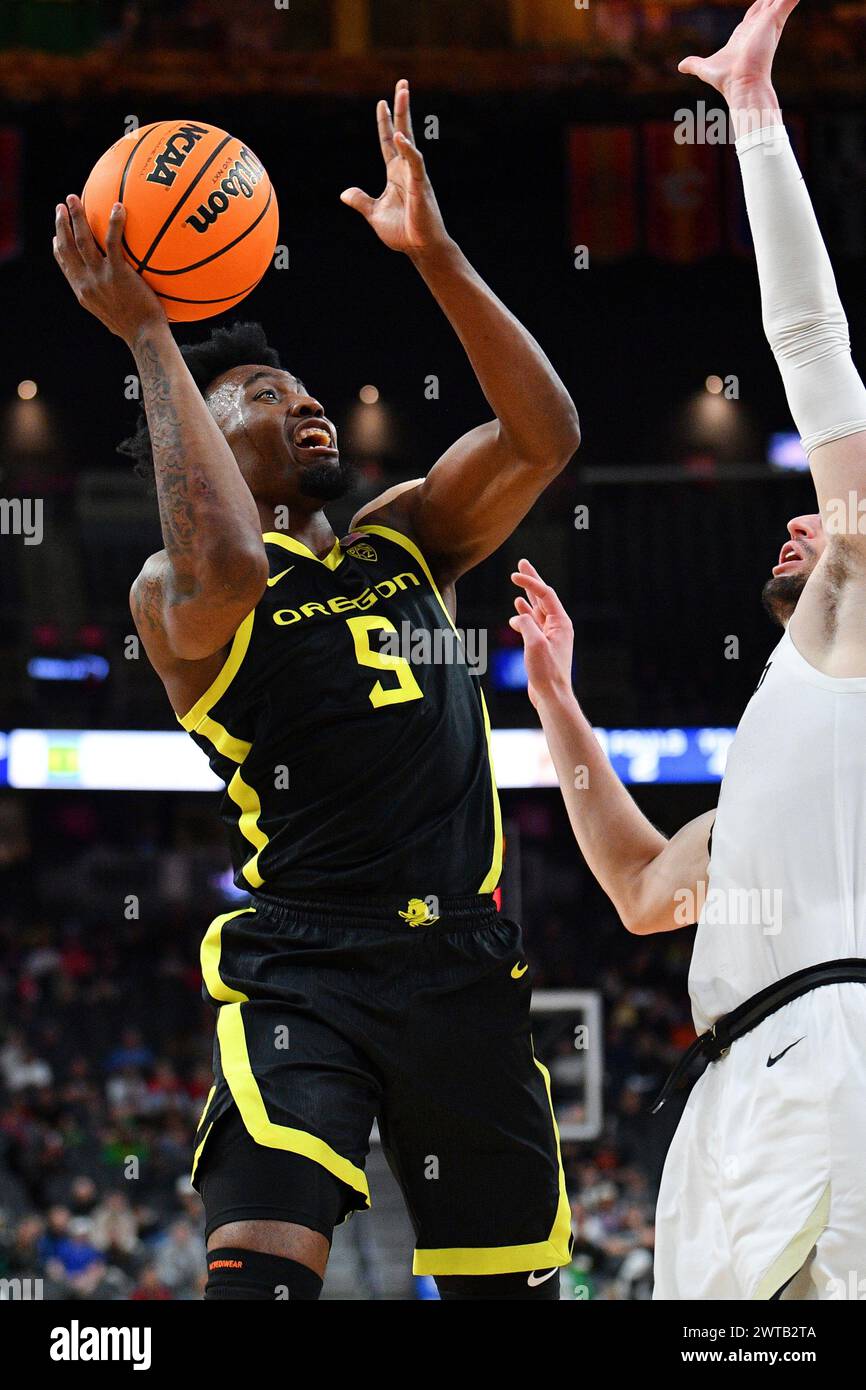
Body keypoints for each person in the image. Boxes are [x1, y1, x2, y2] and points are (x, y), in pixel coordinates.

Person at [53, 80, 580, 1300]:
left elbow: (543, 433)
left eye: (302, 391)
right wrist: (151, 336)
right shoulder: (174, 592)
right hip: (304, 963)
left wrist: (437, 255)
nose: (300, 402)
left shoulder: (407, 539)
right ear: (201, 437)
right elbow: (227, 553)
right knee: (261, 1271)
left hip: (460, 956)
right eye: (260, 398)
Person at [509, 0, 866, 1301]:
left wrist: (755, 122)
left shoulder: (853, 622)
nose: (804, 518)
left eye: (819, 517)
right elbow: (640, 891)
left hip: (817, 1058)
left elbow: (814, 358)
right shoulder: (794, 749)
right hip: (752, 1076)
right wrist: (556, 707)